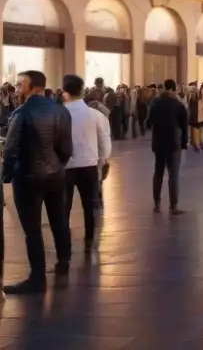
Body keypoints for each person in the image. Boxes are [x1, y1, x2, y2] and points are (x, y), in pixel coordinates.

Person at [1, 70, 73, 294]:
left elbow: (11, 148)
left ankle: (38, 278)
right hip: (55, 175)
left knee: (32, 230)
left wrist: (7, 174)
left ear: (32, 87)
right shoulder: (60, 111)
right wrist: (57, 165)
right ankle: (64, 261)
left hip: (29, 178)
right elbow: (66, 147)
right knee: (59, 220)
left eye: (22, 85)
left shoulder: (21, 113)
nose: (19, 89)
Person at [62, 74, 111, 252]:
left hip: (65, 167)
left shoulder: (60, 113)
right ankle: (89, 239)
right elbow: (104, 140)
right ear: (83, 91)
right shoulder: (95, 115)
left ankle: (64, 242)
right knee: (89, 205)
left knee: (64, 207)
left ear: (64, 92)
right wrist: (103, 159)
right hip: (89, 166)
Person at [148, 79, 188, 215]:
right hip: (173, 143)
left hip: (158, 143)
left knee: (158, 173)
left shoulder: (155, 103)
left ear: (164, 88)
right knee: (173, 174)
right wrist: (184, 143)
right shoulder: (178, 105)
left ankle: (157, 204)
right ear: (174, 88)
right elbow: (184, 126)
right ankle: (173, 205)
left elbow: (149, 123)